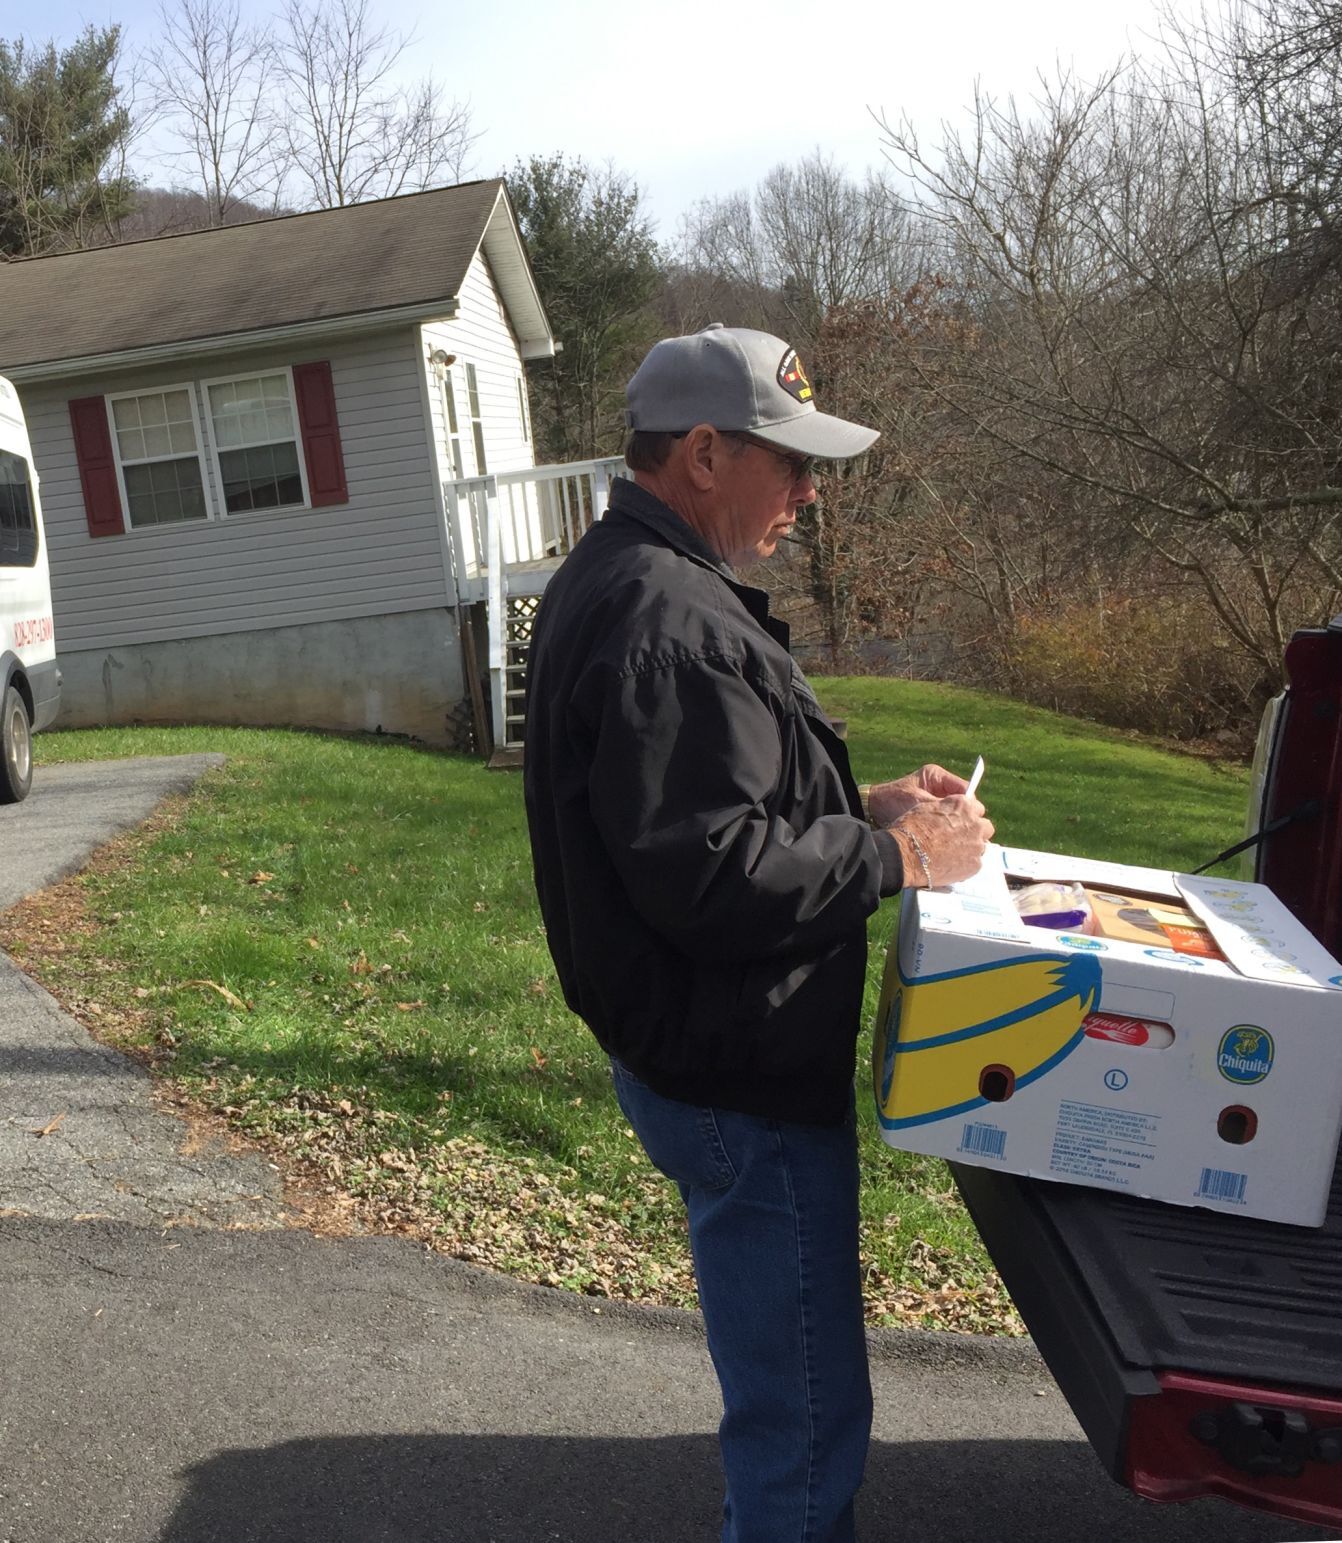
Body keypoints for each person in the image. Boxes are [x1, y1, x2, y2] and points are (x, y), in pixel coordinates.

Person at [523, 324, 994, 1542]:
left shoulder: (636, 579)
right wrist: (900, 857)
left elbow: (703, 812)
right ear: (701, 454)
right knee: (802, 1423)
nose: (808, 491)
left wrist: (866, 805)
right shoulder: (667, 617)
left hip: (707, 1055)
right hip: (739, 1075)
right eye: (789, 462)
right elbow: (718, 877)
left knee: (790, 1402)